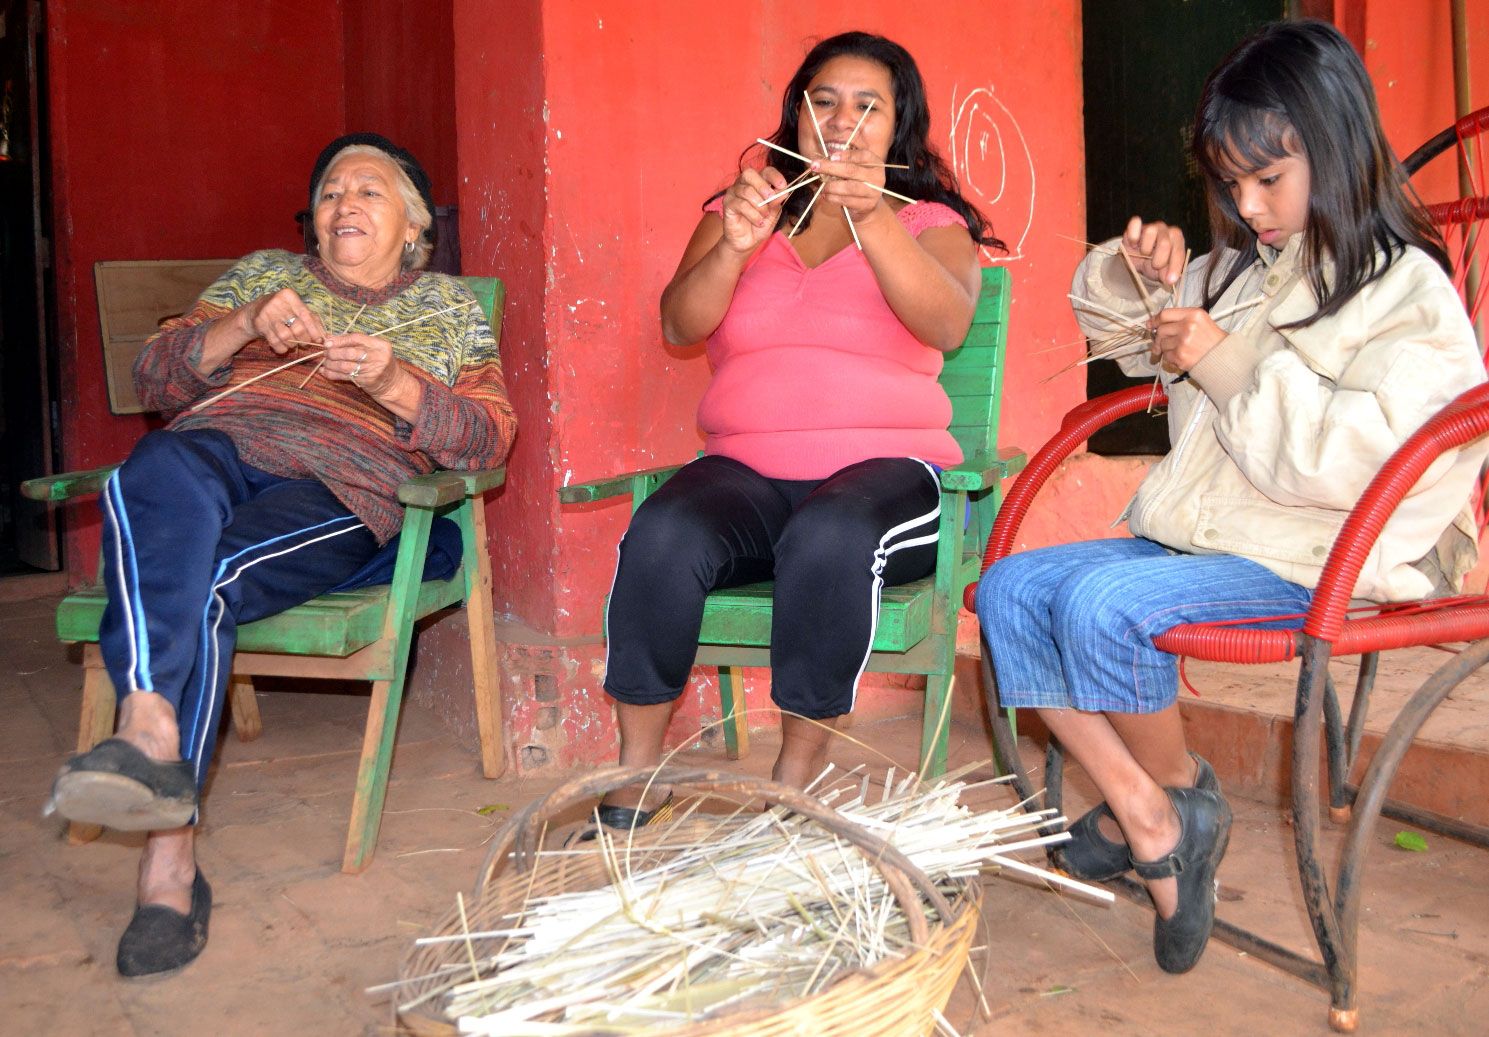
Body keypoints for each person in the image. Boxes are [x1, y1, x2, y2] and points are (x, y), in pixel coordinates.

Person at [976, 19, 1486, 975]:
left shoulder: (1403, 291)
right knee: (1008, 592)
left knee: (1096, 606)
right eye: (1230, 183)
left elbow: (1365, 462)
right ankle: (1159, 803)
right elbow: (1124, 339)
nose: (1247, 206)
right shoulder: (1241, 274)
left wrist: (1227, 362)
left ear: (1334, 151)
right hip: (1208, 540)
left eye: (1269, 179)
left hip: (1322, 555)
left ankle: (1157, 809)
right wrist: (1139, 277)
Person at [45, 133, 517, 978]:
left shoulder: (447, 306)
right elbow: (157, 378)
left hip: (344, 481)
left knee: (211, 578)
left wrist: (395, 384)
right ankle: (150, 722)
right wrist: (242, 322)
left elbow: (488, 436)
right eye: (331, 191)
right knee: (145, 471)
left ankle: (168, 861)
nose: (344, 203)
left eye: (369, 191)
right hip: (221, 448)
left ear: (414, 227)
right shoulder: (266, 272)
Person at [596, 31, 1001, 830]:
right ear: (796, 115)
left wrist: (871, 218)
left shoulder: (928, 222)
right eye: (823, 101)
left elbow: (949, 323)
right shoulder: (745, 206)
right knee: (665, 529)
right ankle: (636, 770)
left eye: (866, 105)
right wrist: (735, 249)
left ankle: (796, 773)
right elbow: (681, 323)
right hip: (747, 471)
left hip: (887, 479)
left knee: (828, 535)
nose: (841, 119)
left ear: (898, 126)